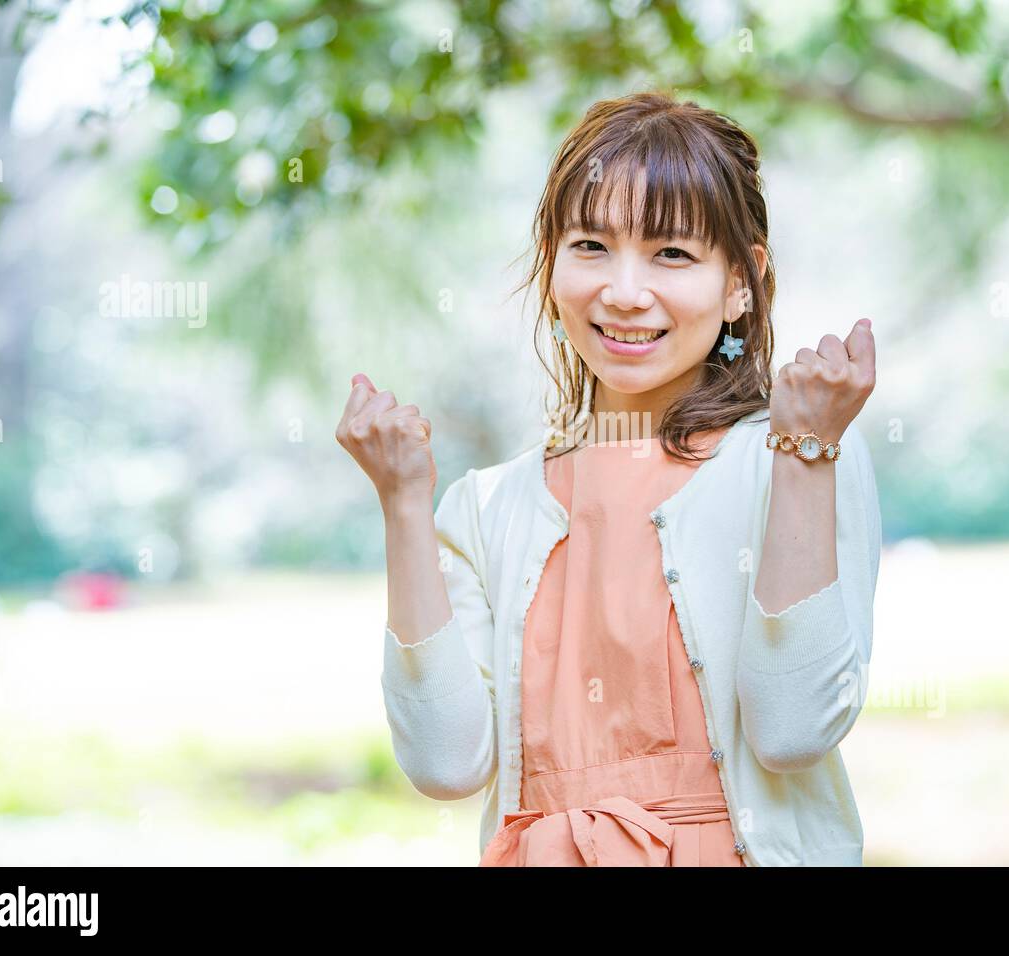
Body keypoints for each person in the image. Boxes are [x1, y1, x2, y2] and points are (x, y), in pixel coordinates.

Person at [337, 90, 880, 866]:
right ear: (552, 263)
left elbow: (792, 730)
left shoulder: (799, 455)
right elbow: (446, 764)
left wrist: (804, 453)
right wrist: (402, 505)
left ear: (740, 282)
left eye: (672, 254)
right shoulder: (487, 506)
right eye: (591, 244)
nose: (624, 292)